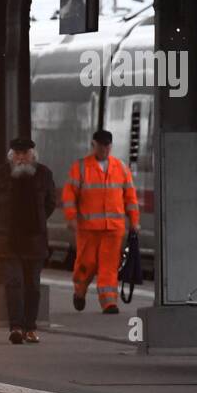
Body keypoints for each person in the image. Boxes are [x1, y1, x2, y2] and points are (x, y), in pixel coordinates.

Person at [62, 129, 140, 314]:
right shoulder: (81, 167)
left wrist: (134, 222)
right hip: (88, 228)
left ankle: (109, 302)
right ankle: (79, 292)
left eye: (107, 146)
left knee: (109, 266)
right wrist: (71, 217)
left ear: (111, 146)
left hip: (113, 229)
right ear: (93, 145)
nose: (104, 149)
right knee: (86, 263)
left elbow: (130, 198)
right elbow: (69, 194)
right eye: (101, 145)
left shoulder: (120, 168)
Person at [0, 136, 56, 344]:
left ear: (32, 155)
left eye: (25, 154)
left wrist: (35, 221)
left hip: (34, 240)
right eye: (17, 154)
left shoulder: (44, 174)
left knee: (33, 286)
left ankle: (31, 327)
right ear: (11, 155)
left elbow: (50, 203)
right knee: (14, 283)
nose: (21, 158)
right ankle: (16, 327)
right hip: (8, 240)